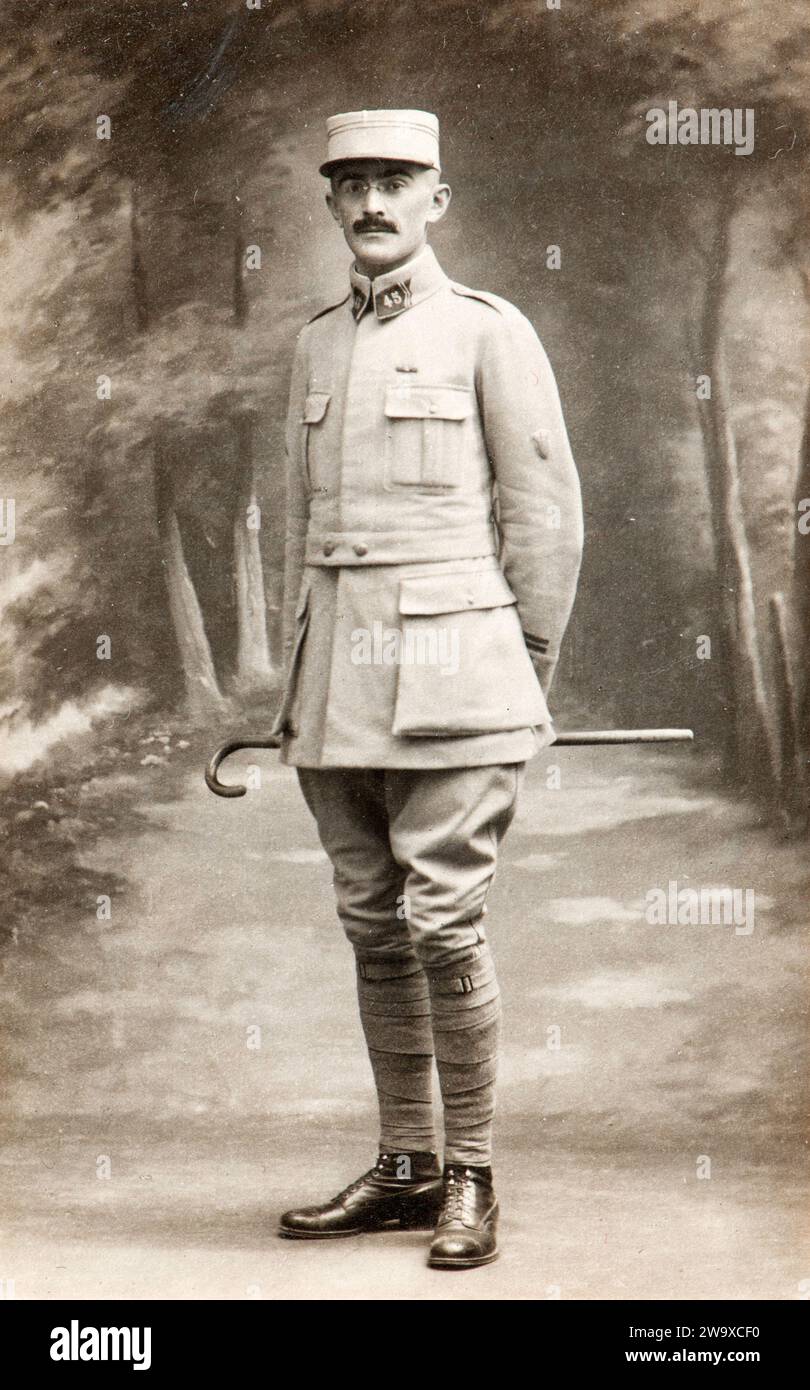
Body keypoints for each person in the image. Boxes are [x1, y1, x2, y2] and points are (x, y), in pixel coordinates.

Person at [271, 109, 583, 1269]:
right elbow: (299, 528)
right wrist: (295, 674)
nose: (372, 203)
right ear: (333, 203)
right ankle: (405, 1164)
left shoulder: (488, 333)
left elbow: (546, 515)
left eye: (396, 181)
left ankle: (473, 1174)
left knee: (443, 917)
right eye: (351, 184)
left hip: (457, 668)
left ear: (437, 197)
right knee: (371, 922)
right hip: (337, 680)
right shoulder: (313, 344)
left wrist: (522, 665)